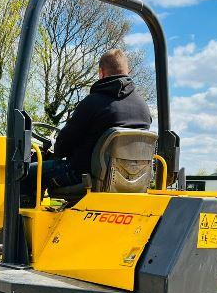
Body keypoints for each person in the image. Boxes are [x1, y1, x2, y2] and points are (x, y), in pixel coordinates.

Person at [21, 49, 151, 205]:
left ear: (101, 73)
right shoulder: (143, 108)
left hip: (84, 175)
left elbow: (63, 146)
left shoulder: (93, 102)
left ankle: (19, 229)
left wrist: (55, 151)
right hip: (131, 180)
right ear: (127, 72)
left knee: (25, 174)